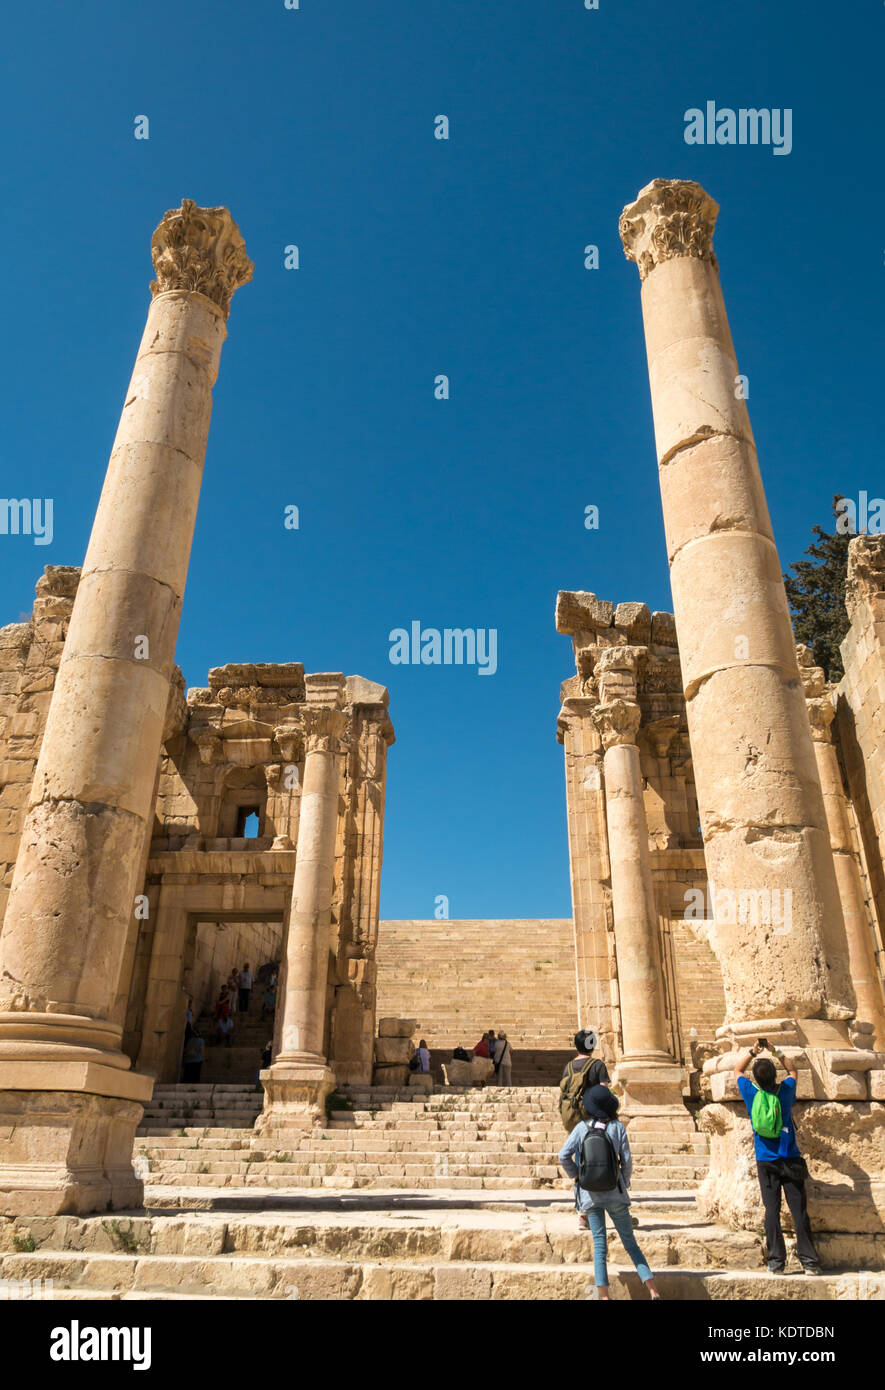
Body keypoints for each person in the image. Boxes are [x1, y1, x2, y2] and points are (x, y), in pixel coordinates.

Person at [559, 1085, 661, 1300]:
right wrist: (621, 1183)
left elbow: (563, 1156)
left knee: (599, 1245)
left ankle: (604, 1296)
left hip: (590, 1194)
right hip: (615, 1194)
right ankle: (653, 1291)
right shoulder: (617, 1127)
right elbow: (627, 1162)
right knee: (630, 1244)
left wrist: (577, 1175)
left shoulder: (581, 1128)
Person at [733, 1040, 822, 1275]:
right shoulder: (786, 1091)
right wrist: (776, 1051)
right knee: (798, 1210)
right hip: (790, 1157)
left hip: (766, 1160)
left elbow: (737, 1070)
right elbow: (793, 1070)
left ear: (757, 1079)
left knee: (771, 1210)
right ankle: (809, 1262)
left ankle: (776, 1262)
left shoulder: (751, 1093)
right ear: (775, 1076)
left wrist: (753, 1051)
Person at [559, 1028, 611, 1130]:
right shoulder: (598, 1065)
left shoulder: (568, 1067)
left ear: (576, 1046)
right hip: (592, 1118)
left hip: (572, 1117)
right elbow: (603, 1093)